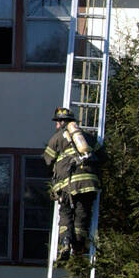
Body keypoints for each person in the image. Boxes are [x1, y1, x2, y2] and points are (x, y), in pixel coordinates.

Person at [43, 107, 102, 261]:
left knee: (66, 213)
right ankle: (78, 246)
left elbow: (47, 161)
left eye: (57, 122)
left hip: (67, 185)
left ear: (62, 123)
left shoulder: (56, 139)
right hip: (88, 184)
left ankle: (65, 243)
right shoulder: (88, 137)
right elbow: (103, 156)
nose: (56, 125)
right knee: (82, 214)